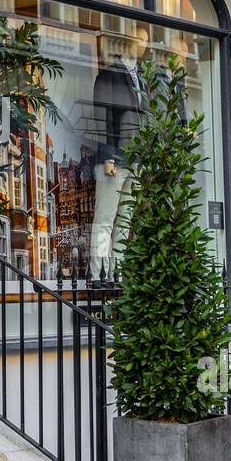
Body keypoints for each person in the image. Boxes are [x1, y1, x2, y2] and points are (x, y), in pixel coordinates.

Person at [88, 28, 148, 277]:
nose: (143, 45)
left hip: (135, 161)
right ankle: (98, 273)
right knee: (105, 218)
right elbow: (102, 118)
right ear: (128, 41)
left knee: (124, 221)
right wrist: (107, 156)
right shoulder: (109, 75)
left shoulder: (142, 79)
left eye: (145, 41)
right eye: (139, 40)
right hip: (113, 159)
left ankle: (118, 274)